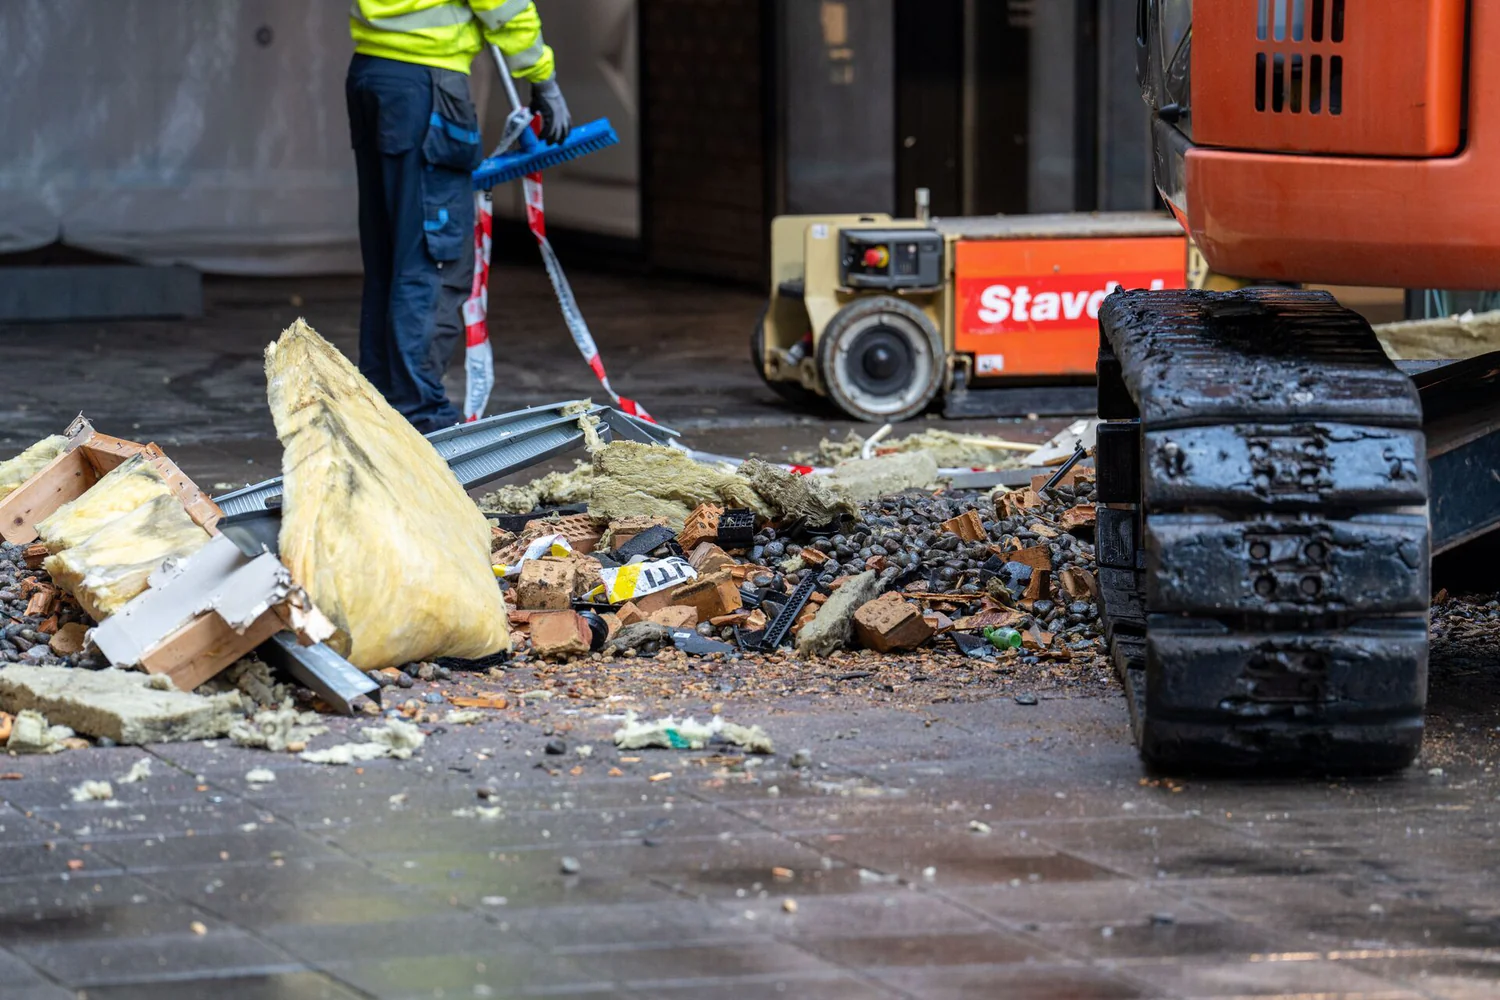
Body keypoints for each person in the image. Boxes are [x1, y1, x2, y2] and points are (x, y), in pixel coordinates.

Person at [346, 1, 571, 433]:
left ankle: (378, 409)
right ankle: (420, 416)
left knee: (389, 256)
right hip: (426, 81)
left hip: (372, 72)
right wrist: (542, 75)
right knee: (432, 258)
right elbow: (502, 5)